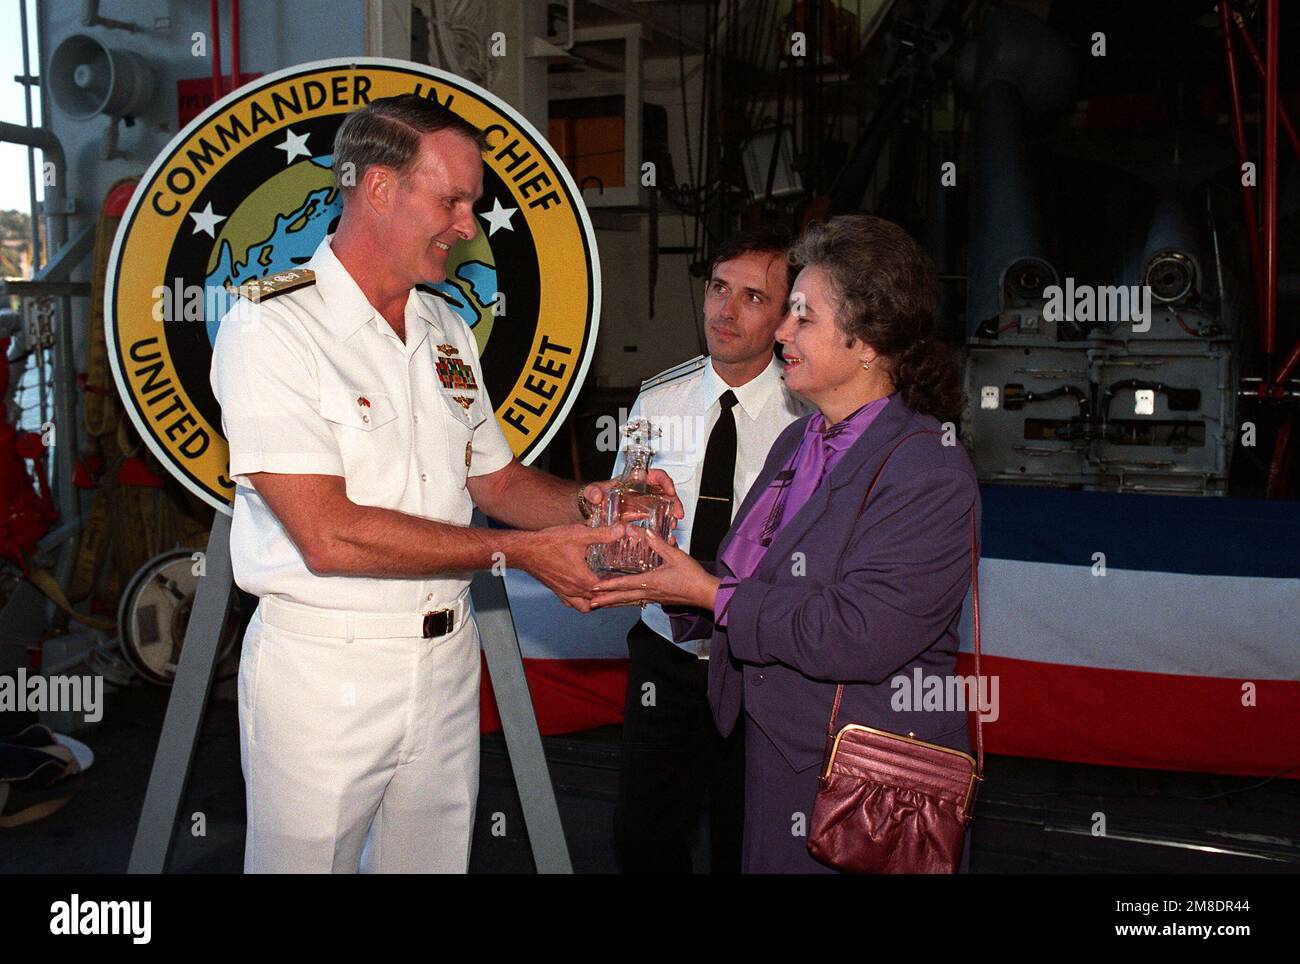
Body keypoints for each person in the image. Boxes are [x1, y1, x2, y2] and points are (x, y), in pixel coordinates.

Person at [210, 94, 678, 874]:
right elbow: (328, 535)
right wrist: (525, 557)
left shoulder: (445, 326)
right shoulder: (272, 326)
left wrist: (593, 504)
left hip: (448, 660)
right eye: (453, 199)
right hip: (328, 670)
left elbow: (494, 481)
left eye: (473, 205)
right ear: (381, 190)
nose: (466, 225)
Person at [592, 215, 981, 873]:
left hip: (858, 788)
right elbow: (756, 578)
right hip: (776, 760)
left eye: (802, 317)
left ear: (867, 340)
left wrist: (703, 590)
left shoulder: (927, 469)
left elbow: (859, 632)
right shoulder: (800, 443)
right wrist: (662, 569)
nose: (779, 332)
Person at [611, 228, 813, 874]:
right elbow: (616, 532)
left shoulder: (809, 420)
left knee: (749, 842)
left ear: (786, 316)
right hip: (665, 659)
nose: (726, 311)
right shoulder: (658, 399)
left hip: (761, 664)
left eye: (753, 297)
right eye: (719, 288)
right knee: (642, 837)